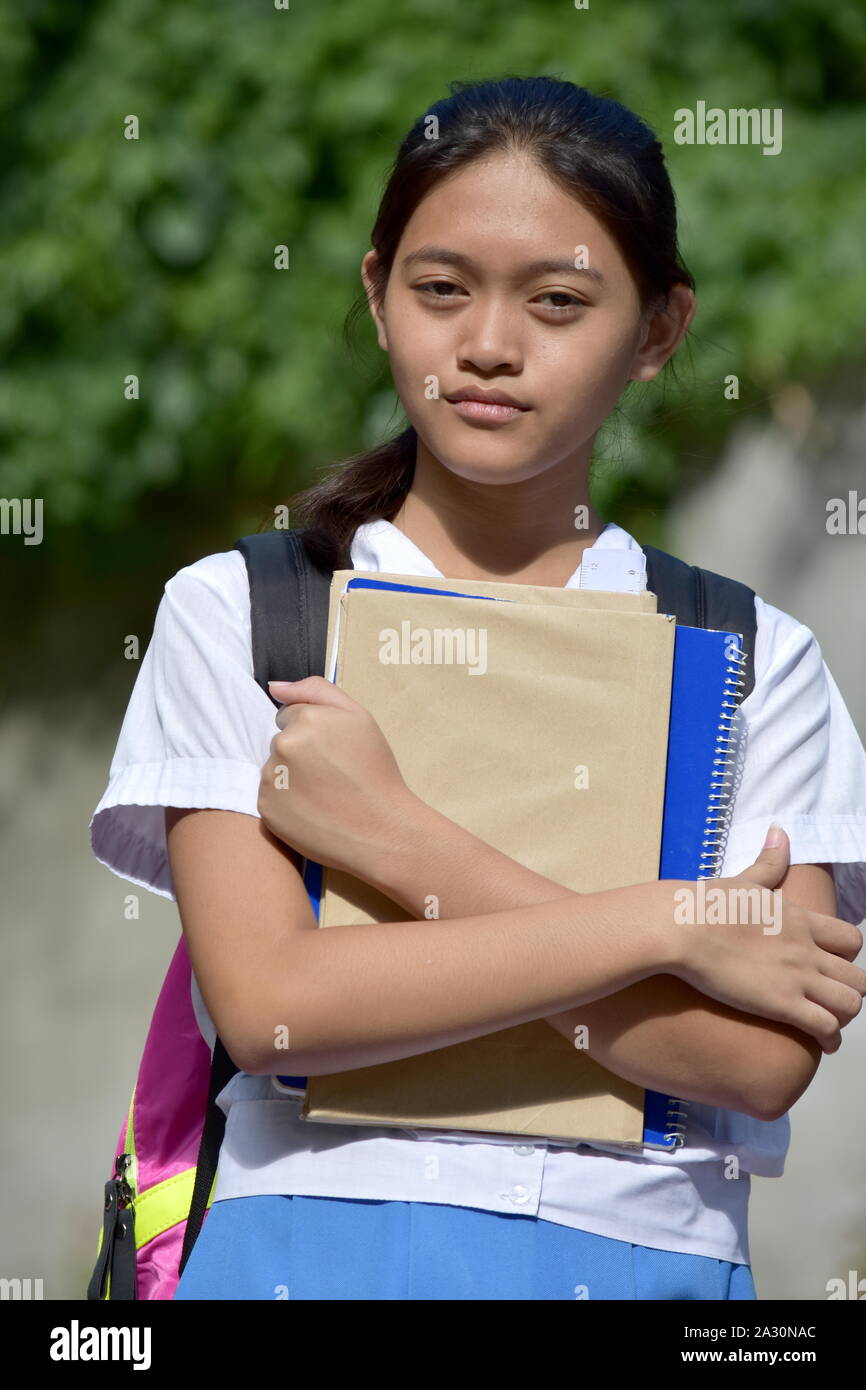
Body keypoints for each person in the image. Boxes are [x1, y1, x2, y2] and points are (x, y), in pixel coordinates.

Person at [89, 75, 866, 1301]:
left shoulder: (753, 655)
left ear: (659, 332)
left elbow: (754, 1062)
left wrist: (394, 841)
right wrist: (670, 927)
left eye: (557, 301)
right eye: (439, 289)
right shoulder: (244, 610)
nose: (488, 346)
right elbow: (274, 1007)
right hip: (306, 1253)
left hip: (644, 1267)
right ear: (375, 293)